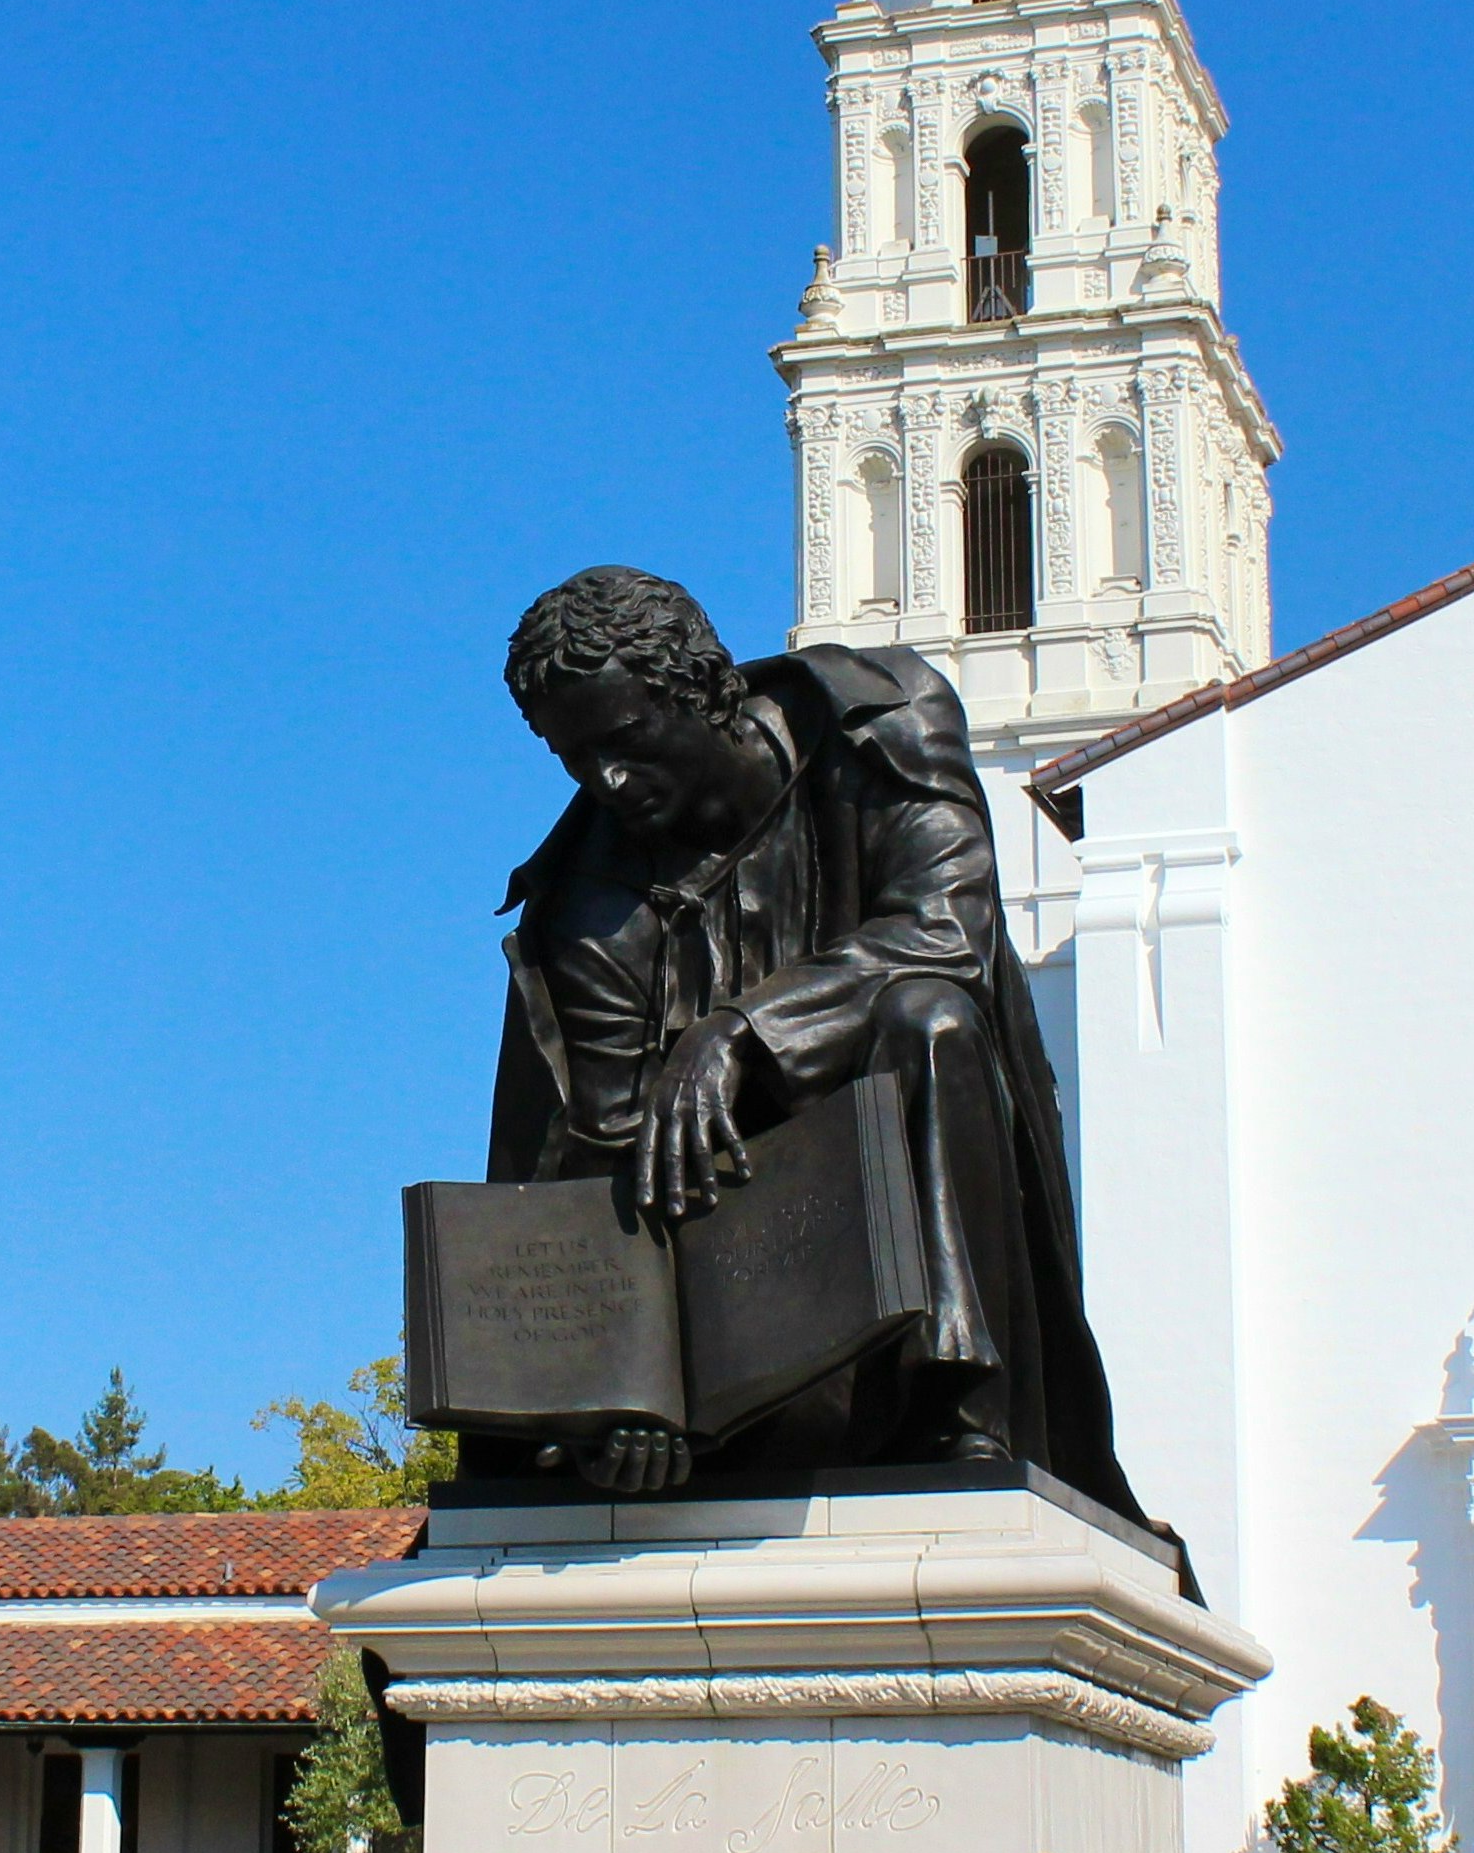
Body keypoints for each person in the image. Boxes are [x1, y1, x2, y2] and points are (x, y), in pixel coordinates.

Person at [485, 564, 1170, 1561]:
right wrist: (620, 1396)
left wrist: (739, 1030)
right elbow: (599, 1159)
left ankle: (959, 1419)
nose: (609, 783)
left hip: (919, 1265)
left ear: (707, 693)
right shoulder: (588, 908)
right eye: (575, 756)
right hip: (733, 1328)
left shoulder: (876, 724)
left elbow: (951, 927)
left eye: (626, 741)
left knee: (929, 1019)